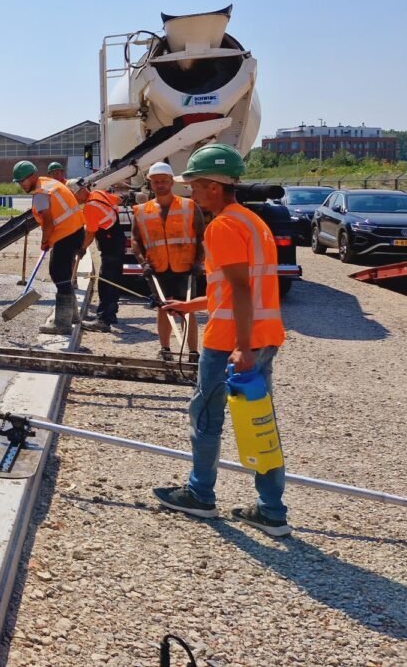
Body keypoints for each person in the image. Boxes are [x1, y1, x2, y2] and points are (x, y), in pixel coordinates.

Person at [152, 143, 290, 537]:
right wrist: (190, 303)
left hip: (231, 342)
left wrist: (241, 348)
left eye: (194, 184)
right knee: (259, 422)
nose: (190, 192)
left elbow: (242, 291)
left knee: (207, 416)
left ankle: (199, 495)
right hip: (262, 337)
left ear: (213, 186)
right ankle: (271, 509)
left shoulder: (222, 227)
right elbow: (232, 290)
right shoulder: (252, 222)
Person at [131, 161, 205, 362]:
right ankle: (165, 349)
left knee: (187, 309)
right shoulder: (141, 210)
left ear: (171, 182)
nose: (160, 185)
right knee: (163, 309)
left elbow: (200, 236)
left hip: (185, 266)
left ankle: (192, 352)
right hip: (157, 267)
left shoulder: (189, 206)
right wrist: (143, 263)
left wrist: (199, 262)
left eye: (164, 181)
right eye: (156, 182)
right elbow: (136, 240)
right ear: (150, 184)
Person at [12, 160, 85, 334]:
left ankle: (62, 323)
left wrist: (45, 241)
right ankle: (72, 316)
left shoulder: (40, 193)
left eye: (23, 181)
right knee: (65, 274)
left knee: (58, 274)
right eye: (19, 182)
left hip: (65, 234)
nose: (22, 185)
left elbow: (48, 221)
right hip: (76, 230)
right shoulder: (48, 183)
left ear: (32, 177)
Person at [70, 180, 126, 332]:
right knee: (113, 281)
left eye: (74, 196)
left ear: (80, 192)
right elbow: (118, 200)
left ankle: (103, 320)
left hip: (111, 244)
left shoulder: (90, 207)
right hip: (118, 240)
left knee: (105, 283)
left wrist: (82, 249)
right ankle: (111, 314)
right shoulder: (98, 194)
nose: (75, 200)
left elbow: (90, 233)